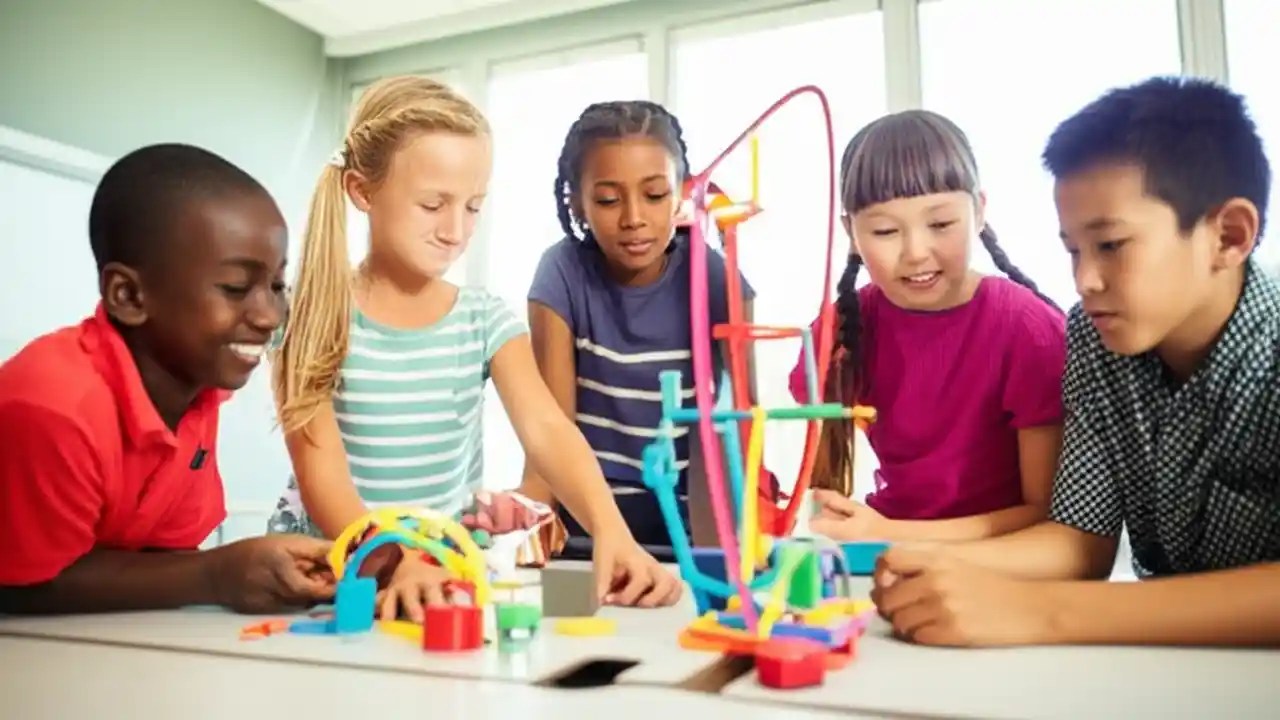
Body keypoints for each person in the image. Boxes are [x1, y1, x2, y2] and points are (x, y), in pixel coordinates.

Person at [871, 76, 1280, 648]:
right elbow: (1080, 539)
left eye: (1111, 245)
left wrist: (1040, 611)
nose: (1084, 280)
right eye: (1072, 250)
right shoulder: (1094, 338)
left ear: (1229, 235)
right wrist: (928, 561)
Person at [267, 77, 681, 621]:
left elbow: (550, 429)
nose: (456, 230)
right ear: (362, 192)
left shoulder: (484, 318)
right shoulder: (308, 312)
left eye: (473, 207)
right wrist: (396, 562)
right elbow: (325, 483)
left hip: (440, 577)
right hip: (331, 577)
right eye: (433, 204)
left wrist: (611, 531)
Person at [0, 143, 335, 615]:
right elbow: (20, 585)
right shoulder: (53, 409)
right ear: (130, 295)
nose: (268, 315)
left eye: (277, 286)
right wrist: (216, 574)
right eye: (236, 288)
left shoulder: (198, 393)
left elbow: (154, 561)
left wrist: (248, 569)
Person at [520, 100, 781, 554]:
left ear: (680, 192)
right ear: (578, 205)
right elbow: (550, 430)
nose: (634, 218)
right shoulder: (562, 273)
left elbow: (739, 421)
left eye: (655, 195)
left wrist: (729, 545)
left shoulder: (713, 275)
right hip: (589, 516)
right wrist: (524, 524)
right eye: (607, 200)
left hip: (687, 521)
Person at [794, 110, 1067, 543]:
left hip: (1002, 558)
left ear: (979, 212)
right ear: (852, 233)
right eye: (885, 231)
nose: (916, 252)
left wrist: (894, 534)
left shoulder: (1029, 329)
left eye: (940, 224)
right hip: (891, 544)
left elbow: (1047, 513)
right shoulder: (844, 329)